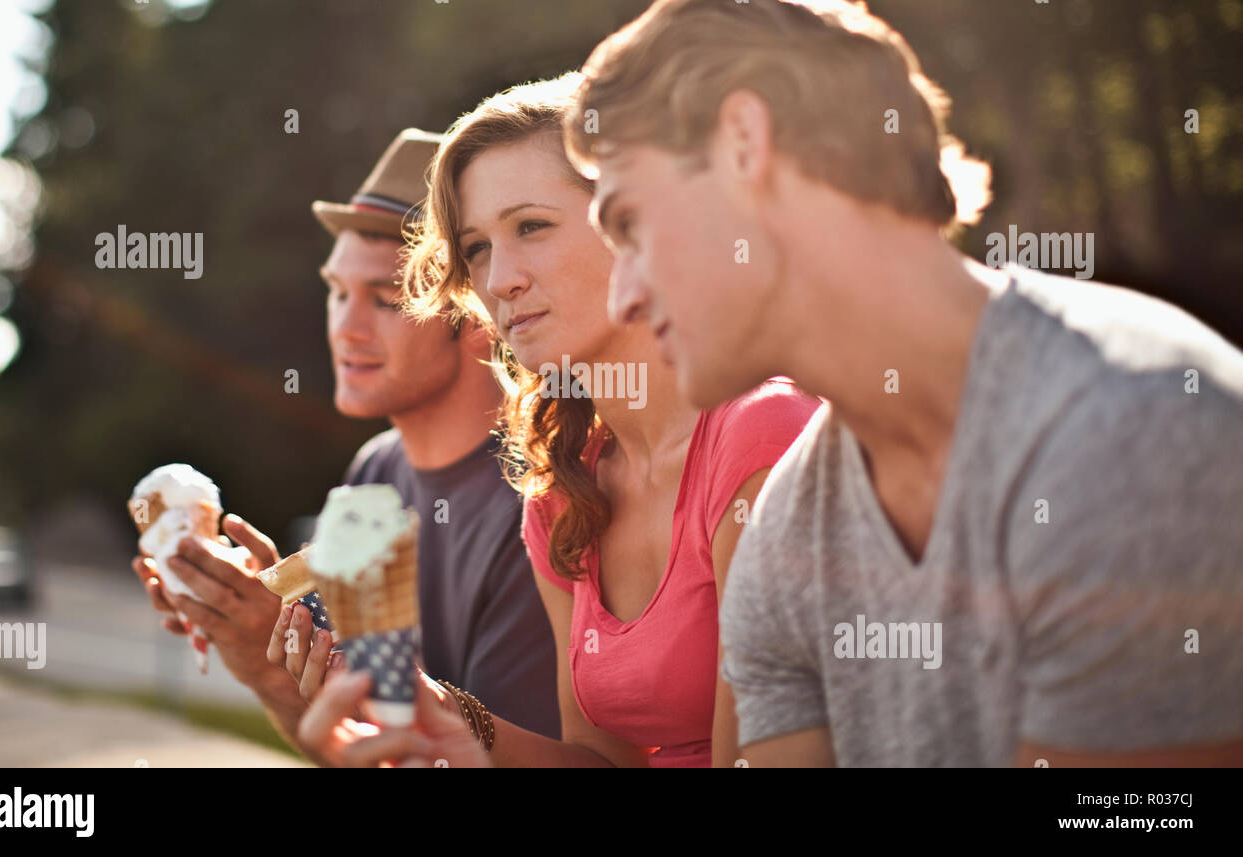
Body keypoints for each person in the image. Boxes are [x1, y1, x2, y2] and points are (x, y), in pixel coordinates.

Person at [560, 0, 1243, 766]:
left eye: (631, 224)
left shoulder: (1126, 430)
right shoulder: (786, 530)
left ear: (745, 143)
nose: (622, 296)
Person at [297, 74, 817, 768]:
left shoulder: (762, 437)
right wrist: (458, 724)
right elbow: (604, 759)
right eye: (477, 247)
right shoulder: (561, 490)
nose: (499, 278)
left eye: (531, 226)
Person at [131, 129, 561, 747]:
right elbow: (355, 744)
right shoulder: (373, 474)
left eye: (385, 300)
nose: (344, 329)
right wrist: (258, 646)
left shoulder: (541, 492)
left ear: (475, 313)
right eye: (336, 293)